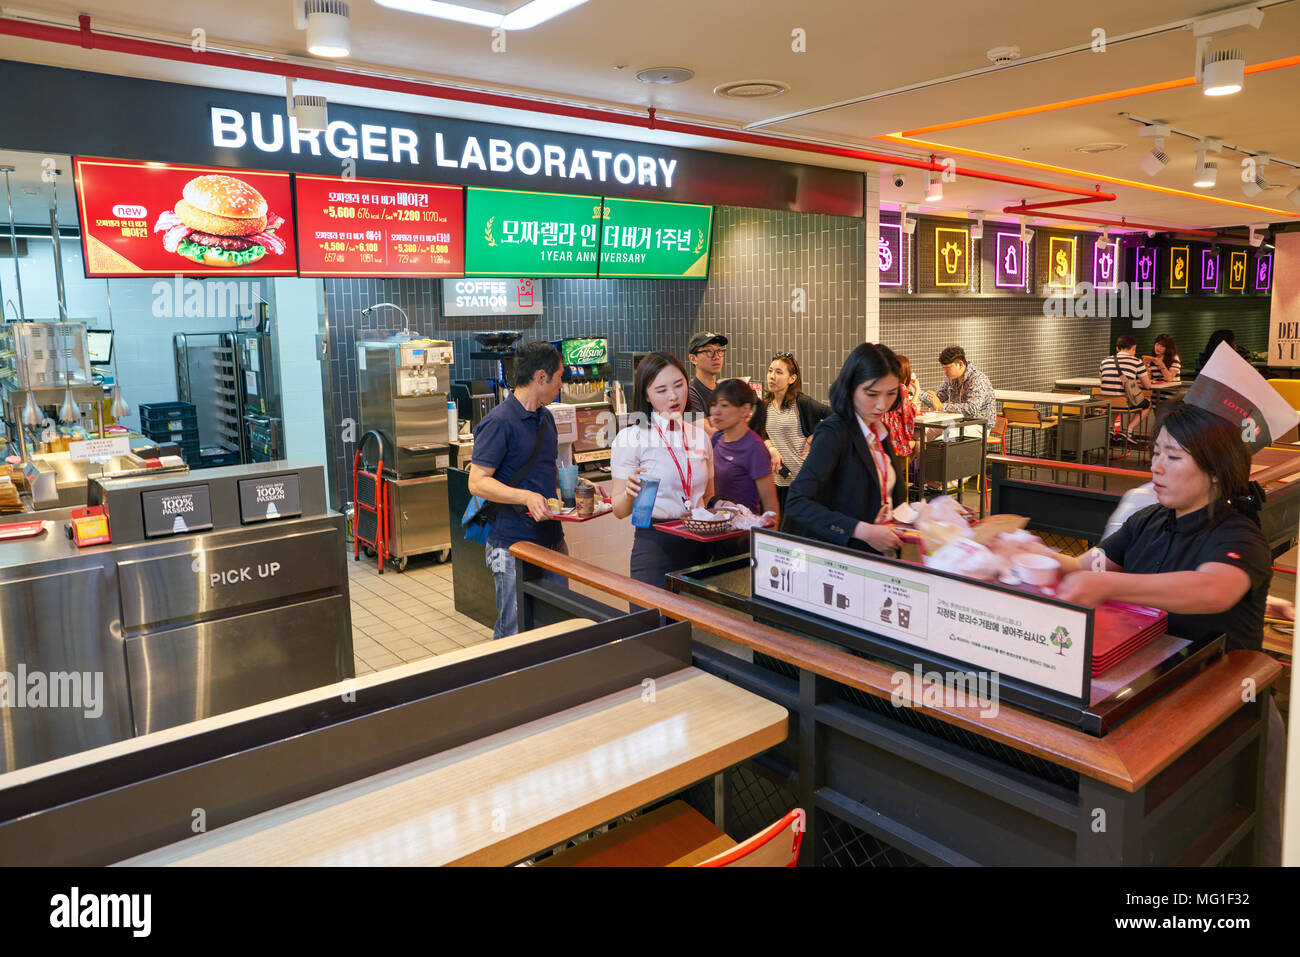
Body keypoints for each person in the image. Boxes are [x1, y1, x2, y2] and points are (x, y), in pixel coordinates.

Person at [1032, 402, 1271, 653]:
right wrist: (1038, 556)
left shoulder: (1241, 537)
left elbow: (1215, 589)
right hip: (1143, 668)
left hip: (1213, 681)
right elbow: (1082, 567)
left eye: (1173, 456)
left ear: (1215, 470)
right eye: (1156, 453)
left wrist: (1108, 585)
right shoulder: (1146, 520)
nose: (1155, 467)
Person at [467, 340, 568, 639]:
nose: (561, 384)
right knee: (514, 631)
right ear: (541, 377)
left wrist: (585, 488)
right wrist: (524, 497)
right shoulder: (499, 422)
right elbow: (477, 482)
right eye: (559, 376)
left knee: (558, 625)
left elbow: (547, 472)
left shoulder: (546, 418)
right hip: (513, 546)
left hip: (552, 541)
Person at [785, 343, 906, 554]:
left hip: (877, 556)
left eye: (891, 394)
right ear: (851, 388)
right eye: (872, 394)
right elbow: (797, 502)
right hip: (840, 560)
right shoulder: (834, 432)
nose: (882, 405)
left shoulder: (880, 430)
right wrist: (863, 531)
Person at [610, 352, 715, 587]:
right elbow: (619, 510)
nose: (674, 396)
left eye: (679, 385)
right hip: (655, 547)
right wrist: (629, 492)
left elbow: (708, 496)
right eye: (661, 390)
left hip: (700, 547)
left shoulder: (700, 437)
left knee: (699, 623)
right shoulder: (631, 438)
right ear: (646, 395)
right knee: (654, 622)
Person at [763, 352, 831, 512]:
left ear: (792, 378)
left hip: (803, 482)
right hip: (778, 480)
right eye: (770, 370)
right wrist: (771, 448)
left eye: (779, 372)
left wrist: (814, 437)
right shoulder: (765, 405)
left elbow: (836, 417)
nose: (772, 376)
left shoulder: (802, 403)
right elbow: (761, 433)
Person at [709, 378, 780, 521]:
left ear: (745, 410)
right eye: (713, 404)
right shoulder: (717, 438)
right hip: (716, 529)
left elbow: (771, 505)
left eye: (724, 405)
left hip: (743, 533)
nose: (716, 411)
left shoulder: (755, 447)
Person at [919, 345, 996, 428]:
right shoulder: (951, 379)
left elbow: (972, 409)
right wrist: (916, 392)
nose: (945, 371)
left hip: (978, 425)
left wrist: (942, 406)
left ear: (960, 364)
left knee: (946, 437)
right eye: (943, 368)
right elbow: (937, 400)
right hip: (958, 422)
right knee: (923, 434)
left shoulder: (978, 379)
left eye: (948, 368)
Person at [1099, 334, 1153, 438]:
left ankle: (1111, 428)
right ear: (1134, 348)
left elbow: (1102, 381)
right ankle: (1129, 430)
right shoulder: (1137, 361)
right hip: (1124, 402)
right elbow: (1147, 385)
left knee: (1115, 401)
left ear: (1117, 348)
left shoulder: (1104, 361)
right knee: (1148, 404)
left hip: (1105, 402)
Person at [881, 353, 920, 485]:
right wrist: (917, 392)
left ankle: (898, 479)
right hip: (894, 438)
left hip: (882, 433)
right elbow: (908, 414)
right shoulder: (901, 387)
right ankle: (920, 482)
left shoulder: (883, 384)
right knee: (920, 443)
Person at [684, 331, 727, 431]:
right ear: (693, 359)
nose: (716, 357)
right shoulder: (688, 394)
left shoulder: (723, 391)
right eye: (709, 352)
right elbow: (706, 434)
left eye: (719, 351)